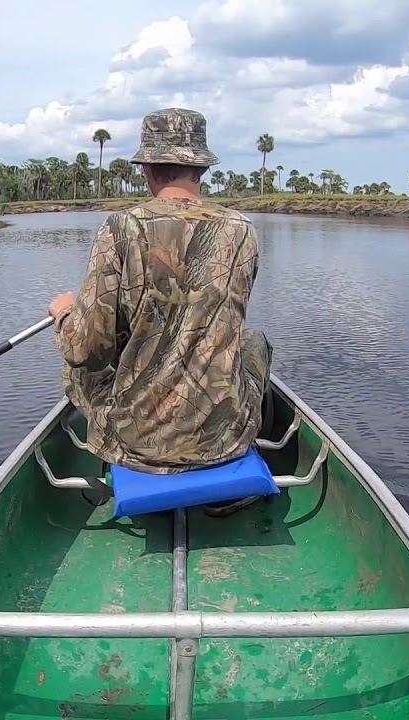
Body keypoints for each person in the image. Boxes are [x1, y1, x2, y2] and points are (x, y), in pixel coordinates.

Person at [47, 107, 273, 493]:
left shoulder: (121, 228)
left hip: (137, 443)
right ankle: (236, 468)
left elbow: (87, 350)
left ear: (146, 169)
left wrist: (64, 313)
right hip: (225, 438)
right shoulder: (243, 231)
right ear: (201, 170)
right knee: (255, 343)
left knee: (77, 370)